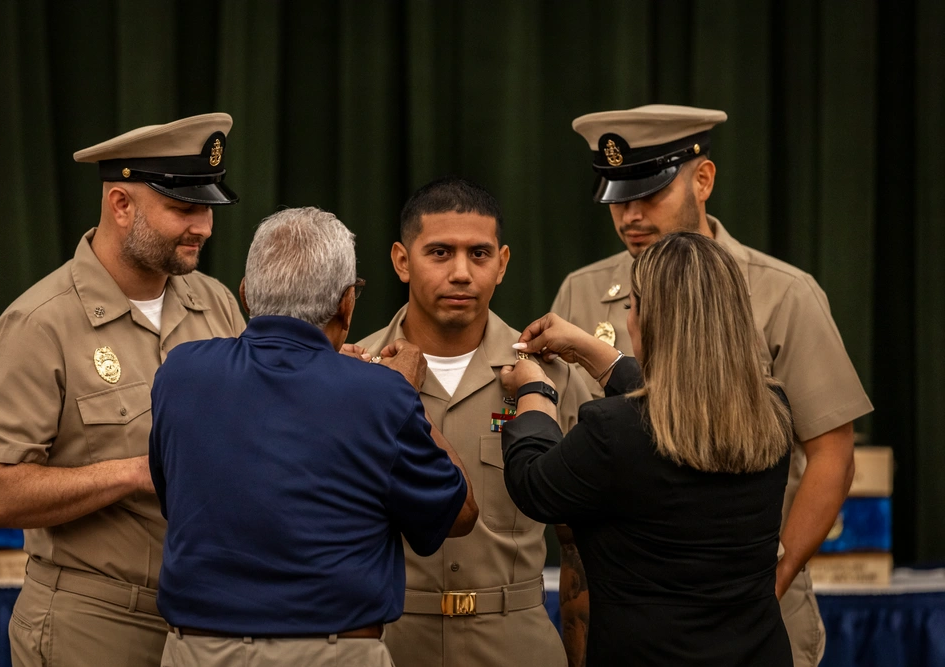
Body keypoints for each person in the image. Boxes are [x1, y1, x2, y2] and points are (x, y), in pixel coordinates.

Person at [551, 104, 873, 667]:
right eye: (618, 198)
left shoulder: (782, 294)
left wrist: (773, 578)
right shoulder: (582, 294)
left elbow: (832, 455)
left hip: (752, 620)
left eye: (649, 193)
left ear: (703, 179)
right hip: (623, 626)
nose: (630, 216)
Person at [0, 113, 246, 667]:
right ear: (121, 205)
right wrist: (137, 472)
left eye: (208, 208)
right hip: (92, 627)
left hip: (207, 625)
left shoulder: (214, 304)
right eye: (184, 208)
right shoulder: (39, 325)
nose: (205, 227)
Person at [149, 206, 477, 667]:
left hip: (198, 650)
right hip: (332, 652)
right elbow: (459, 514)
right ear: (346, 303)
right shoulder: (381, 394)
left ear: (246, 295)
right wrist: (403, 392)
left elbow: (172, 497)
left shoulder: (179, 372)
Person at [502, 232, 795, 666]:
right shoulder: (771, 407)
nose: (630, 317)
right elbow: (688, 399)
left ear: (649, 320)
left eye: (631, 306)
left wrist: (535, 392)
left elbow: (532, 482)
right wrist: (597, 354)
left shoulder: (614, 430)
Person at [353, 177, 592, 667]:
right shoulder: (354, 373)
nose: (461, 273)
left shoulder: (551, 378)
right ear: (402, 260)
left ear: (502, 264)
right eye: (439, 253)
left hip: (515, 642)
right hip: (390, 643)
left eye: (479, 254)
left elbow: (581, 541)